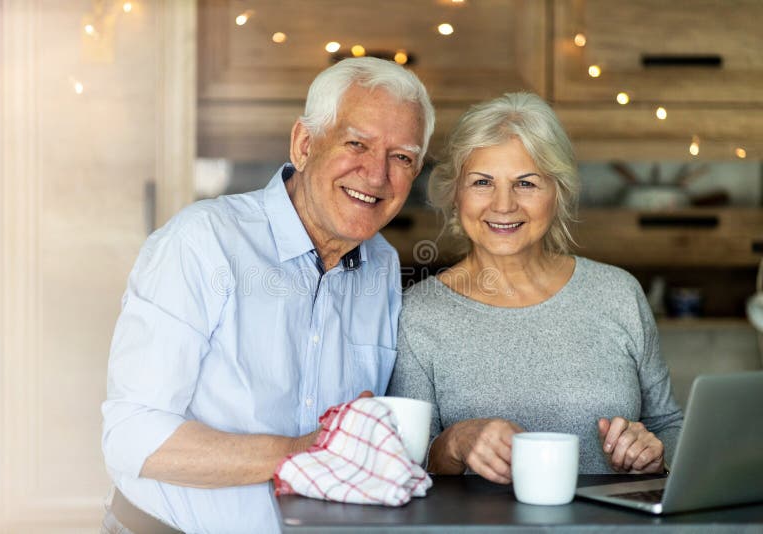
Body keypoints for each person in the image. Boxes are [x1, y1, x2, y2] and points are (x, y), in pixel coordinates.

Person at [101, 57, 434, 533]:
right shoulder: (202, 243)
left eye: (401, 157)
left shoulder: (381, 267)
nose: (377, 175)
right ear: (304, 144)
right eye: (356, 143)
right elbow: (132, 436)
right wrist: (306, 450)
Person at [386, 92, 683, 484]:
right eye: (482, 182)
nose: (503, 205)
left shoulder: (618, 293)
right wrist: (454, 443)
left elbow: (670, 426)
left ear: (557, 193)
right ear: (455, 194)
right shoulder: (417, 315)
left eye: (525, 183)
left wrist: (655, 455)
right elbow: (401, 470)